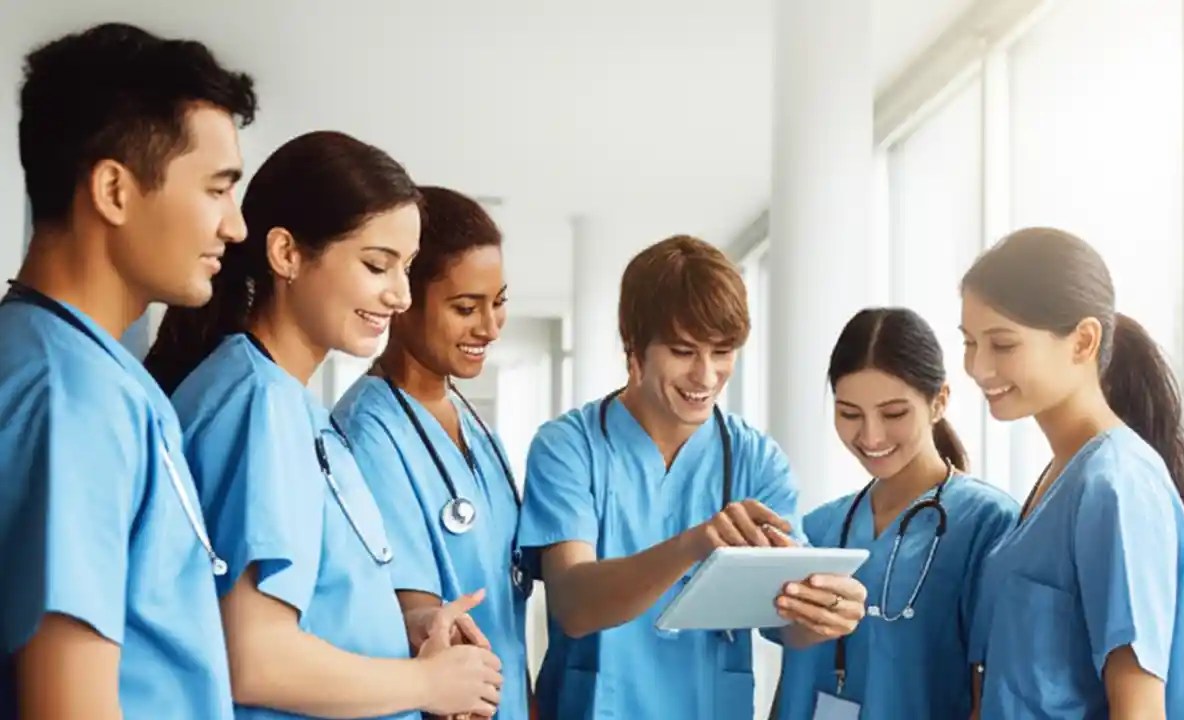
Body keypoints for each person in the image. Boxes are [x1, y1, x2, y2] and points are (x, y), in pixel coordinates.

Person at [144, 131, 503, 719]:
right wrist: (426, 684)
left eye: (407, 269)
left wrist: (403, 626)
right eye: (376, 265)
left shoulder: (291, 405)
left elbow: (311, 607)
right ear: (285, 254)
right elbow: (254, 658)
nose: (400, 296)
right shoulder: (258, 405)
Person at [0, 22, 256, 719]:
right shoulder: (70, 396)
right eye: (217, 189)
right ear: (114, 190)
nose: (235, 227)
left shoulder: (80, 368)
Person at [517, 234, 868, 720]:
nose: (706, 376)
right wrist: (692, 546)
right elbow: (574, 605)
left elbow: (786, 622)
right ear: (634, 347)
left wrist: (827, 613)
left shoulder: (756, 459)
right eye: (683, 351)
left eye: (723, 352)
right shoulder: (570, 447)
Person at [960, 228, 1184, 719]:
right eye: (970, 342)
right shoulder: (1060, 477)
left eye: (1003, 344)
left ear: (1083, 341)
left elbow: (1138, 709)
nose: (979, 368)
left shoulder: (1116, 485)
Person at [333, 186, 531, 719]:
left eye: (499, 301)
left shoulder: (470, 419)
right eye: (466, 307)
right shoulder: (368, 429)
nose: (489, 327)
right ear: (402, 300)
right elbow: (405, 605)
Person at [770, 307, 1018, 720]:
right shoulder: (817, 529)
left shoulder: (988, 524)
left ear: (939, 401)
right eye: (849, 413)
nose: (871, 436)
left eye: (893, 414)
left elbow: (990, 692)